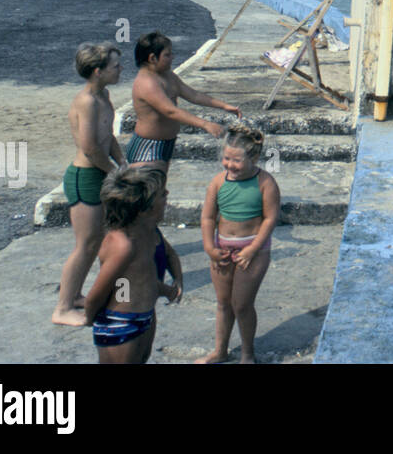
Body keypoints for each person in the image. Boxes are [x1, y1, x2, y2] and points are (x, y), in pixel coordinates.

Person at [52, 44, 126, 326]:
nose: (120, 70)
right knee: (85, 245)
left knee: (95, 242)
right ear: (98, 71)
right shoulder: (86, 102)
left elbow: (108, 136)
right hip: (85, 178)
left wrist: (122, 161)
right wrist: (116, 175)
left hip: (101, 173)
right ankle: (62, 308)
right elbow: (91, 149)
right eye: (115, 66)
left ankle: (76, 295)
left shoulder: (103, 95)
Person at [196, 127, 280, 364]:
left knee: (241, 304)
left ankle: (247, 353)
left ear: (253, 158)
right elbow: (208, 218)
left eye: (236, 160)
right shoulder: (217, 182)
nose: (229, 165)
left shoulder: (265, 182)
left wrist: (253, 249)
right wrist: (209, 247)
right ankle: (220, 350)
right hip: (222, 248)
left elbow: (270, 219)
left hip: (253, 250)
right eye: (226, 158)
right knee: (223, 303)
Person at [84, 166, 169, 363]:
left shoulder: (147, 232)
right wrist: (89, 317)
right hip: (119, 324)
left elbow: (130, 281)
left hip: (144, 316)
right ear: (143, 208)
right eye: (161, 195)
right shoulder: (123, 245)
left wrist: (166, 289)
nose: (167, 196)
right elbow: (97, 293)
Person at [128, 31, 236, 177]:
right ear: (152, 58)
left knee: (158, 187)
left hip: (167, 142)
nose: (172, 58)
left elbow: (193, 95)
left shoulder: (168, 76)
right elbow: (170, 111)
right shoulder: (147, 82)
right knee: (145, 191)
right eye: (167, 55)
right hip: (149, 145)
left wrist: (223, 105)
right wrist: (206, 124)